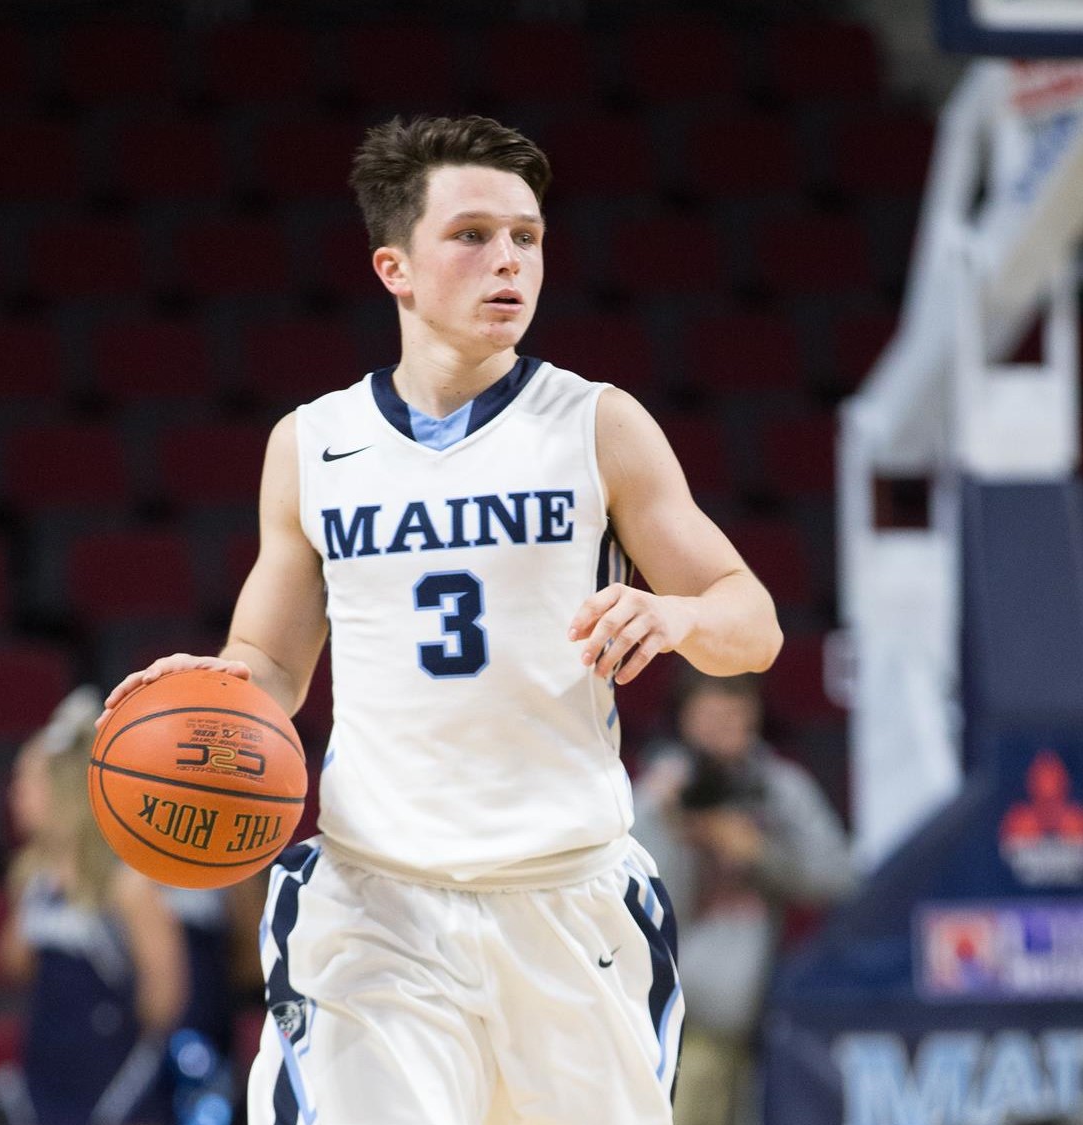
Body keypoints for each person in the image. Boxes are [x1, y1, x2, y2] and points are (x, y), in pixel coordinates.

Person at [98, 114, 783, 1125]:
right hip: (378, 902)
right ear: (395, 268)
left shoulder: (598, 424)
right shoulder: (313, 445)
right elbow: (271, 663)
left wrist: (675, 615)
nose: (507, 258)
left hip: (568, 899)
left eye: (527, 236)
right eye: (471, 235)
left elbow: (752, 622)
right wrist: (209, 692)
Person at [632, 668, 857, 1125]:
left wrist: (759, 853)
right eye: (712, 715)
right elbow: (634, 903)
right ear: (686, 717)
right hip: (681, 1028)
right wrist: (679, 829)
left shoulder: (777, 787)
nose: (724, 728)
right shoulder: (662, 792)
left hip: (773, 1022)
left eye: (736, 714)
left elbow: (840, 876)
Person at [0, 686, 189, 1125]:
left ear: (64, 791)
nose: (15, 795)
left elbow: (164, 1000)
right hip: (46, 1065)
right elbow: (13, 966)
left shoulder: (129, 885)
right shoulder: (34, 880)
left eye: (26, 781)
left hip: (117, 1076)